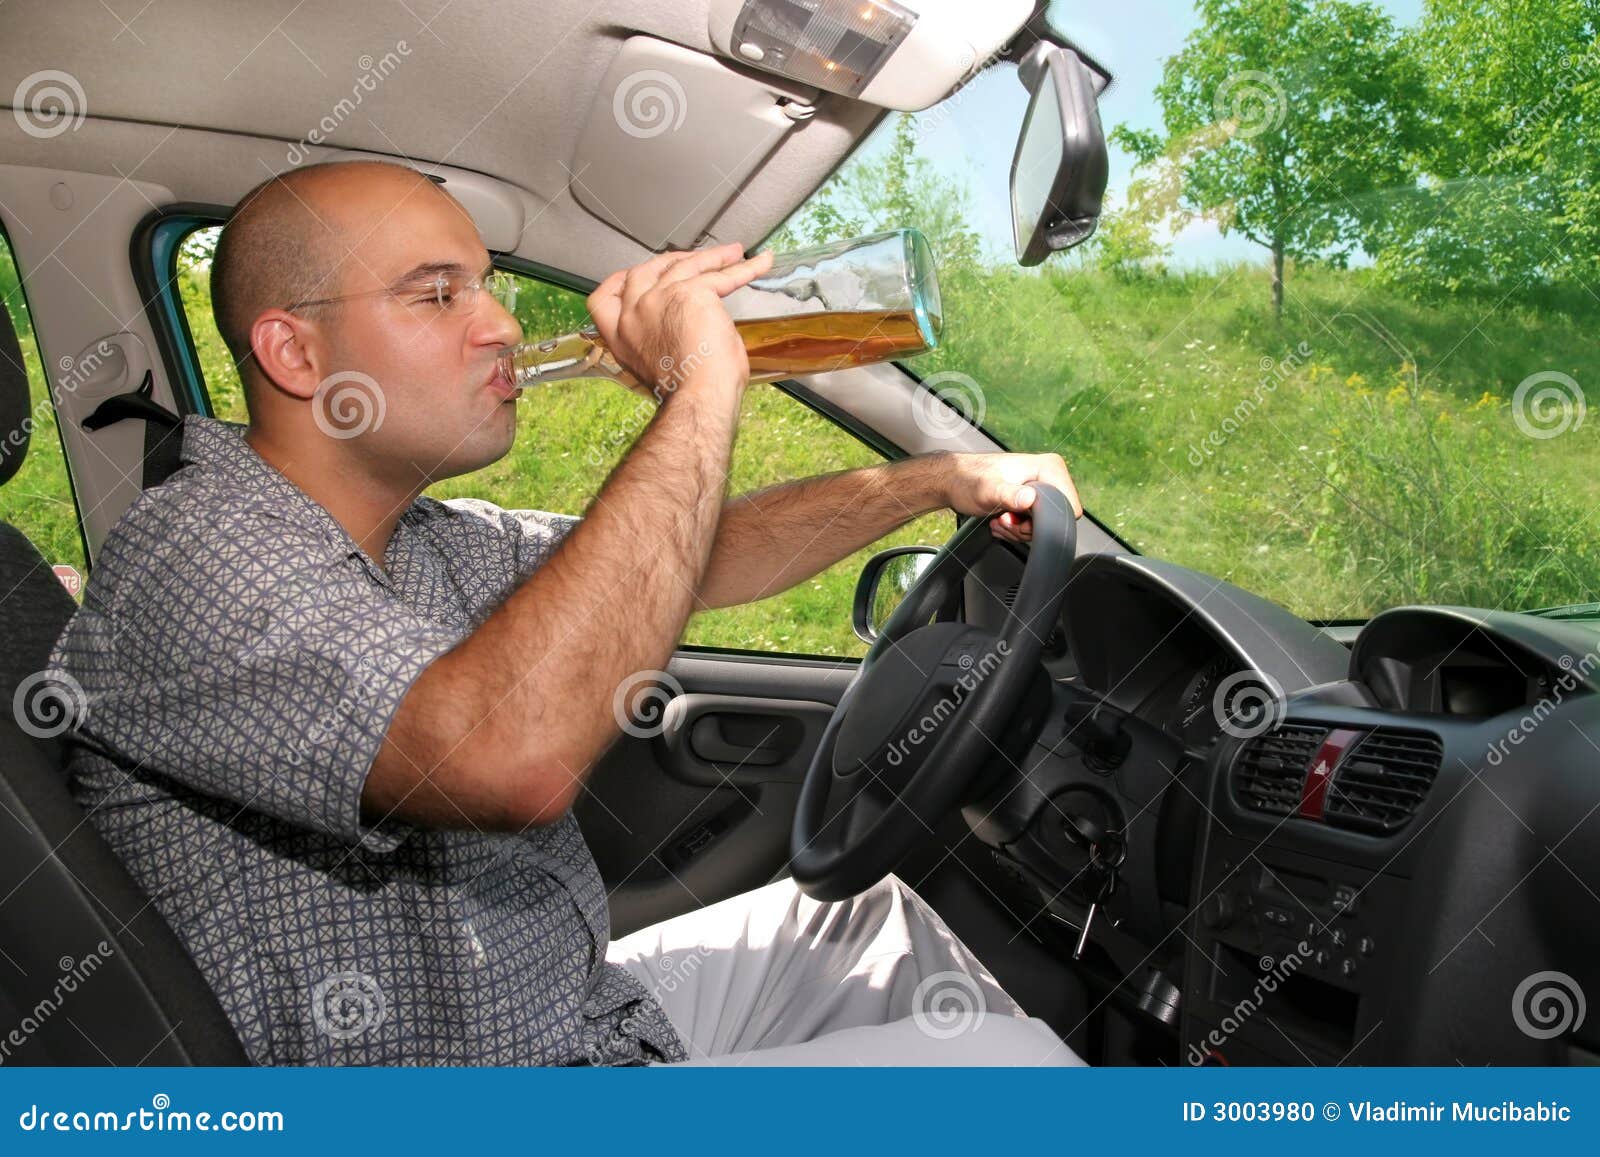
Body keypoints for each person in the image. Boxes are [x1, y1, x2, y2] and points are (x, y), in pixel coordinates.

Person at [47, 160, 1082, 1066]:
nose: (499, 324)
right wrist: (699, 391)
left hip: (569, 1014)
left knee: (873, 925)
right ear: (296, 354)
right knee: (1009, 1059)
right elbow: (508, 760)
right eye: (437, 294)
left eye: (486, 288)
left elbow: (689, 560)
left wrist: (935, 481)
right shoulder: (197, 551)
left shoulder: (425, 533)